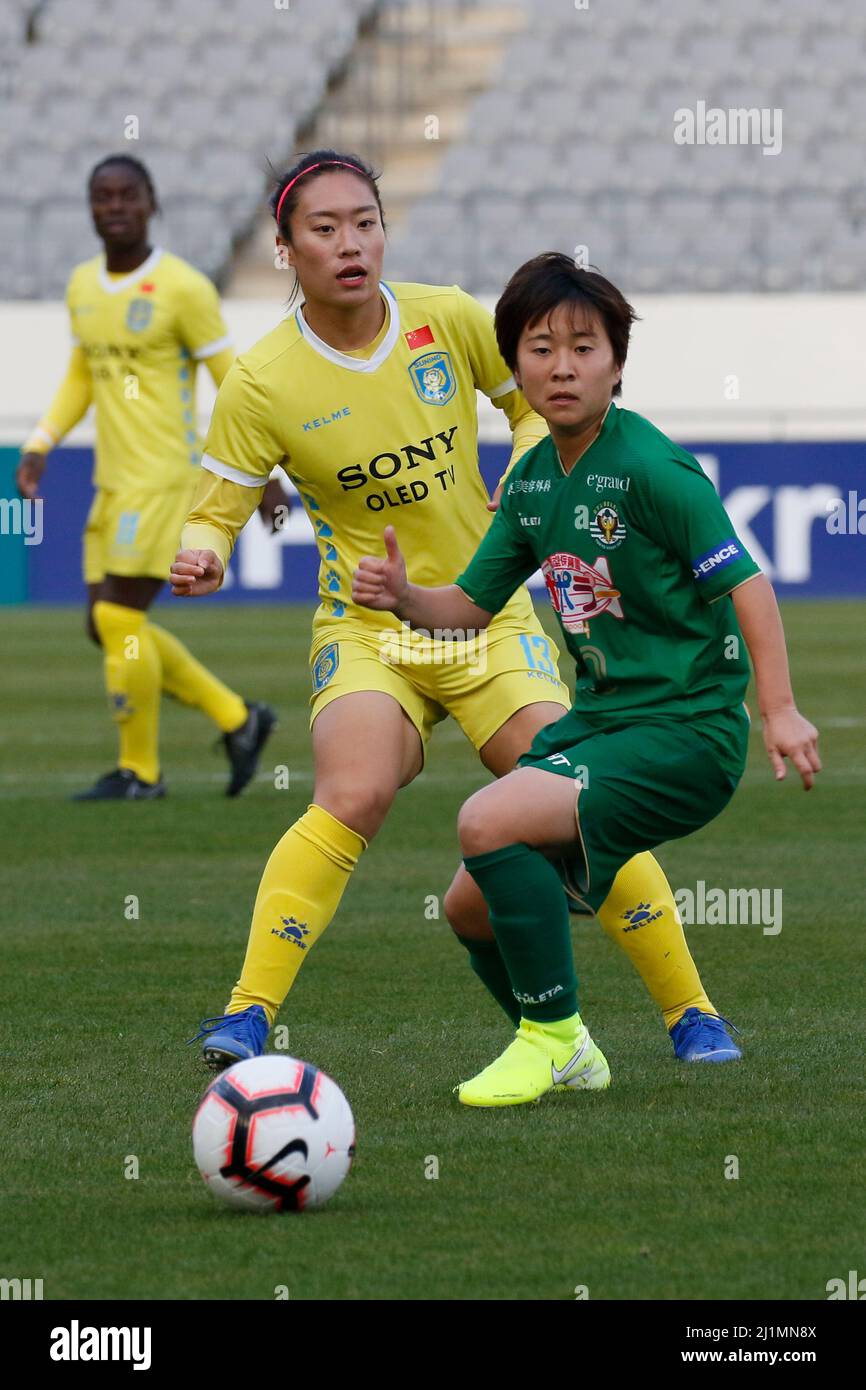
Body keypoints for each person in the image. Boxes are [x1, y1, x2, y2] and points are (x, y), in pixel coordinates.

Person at [175, 151, 743, 1074]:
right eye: (325, 229)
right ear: (284, 250)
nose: (351, 243)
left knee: (569, 790)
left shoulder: (446, 317)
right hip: (369, 629)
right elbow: (220, 499)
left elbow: (531, 407)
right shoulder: (261, 380)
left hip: (487, 615)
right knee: (353, 792)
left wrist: (526, 469)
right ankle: (248, 1013)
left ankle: (692, 1014)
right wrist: (203, 547)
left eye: (366, 221)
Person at [352, 252, 821, 1106]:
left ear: (616, 364)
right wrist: (403, 597)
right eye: (539, 348)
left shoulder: (653, 468)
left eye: (583, 347)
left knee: (485, 818)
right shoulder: (530, 482)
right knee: (468, 909)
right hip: (600, 728)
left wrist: (779, 711)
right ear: (514, 364)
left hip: (687, 732)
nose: (561, 367)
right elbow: (466, 607)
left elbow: (747, 583)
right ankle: (569, 1047)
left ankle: (554, 1039)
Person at [16, 154, 277, 800]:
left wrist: (265, 467)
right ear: (90, 208)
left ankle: (143, 772)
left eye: (127, 195)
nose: (114, 207)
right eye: (101, 196)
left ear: (152, 202)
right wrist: (42, 442)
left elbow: (232, 379)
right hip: (111, 482)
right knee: (102, 624)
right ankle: (238, 719)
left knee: (116, 618)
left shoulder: (184, 289)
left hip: (163, 479)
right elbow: (85, 372)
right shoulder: (83, 287)